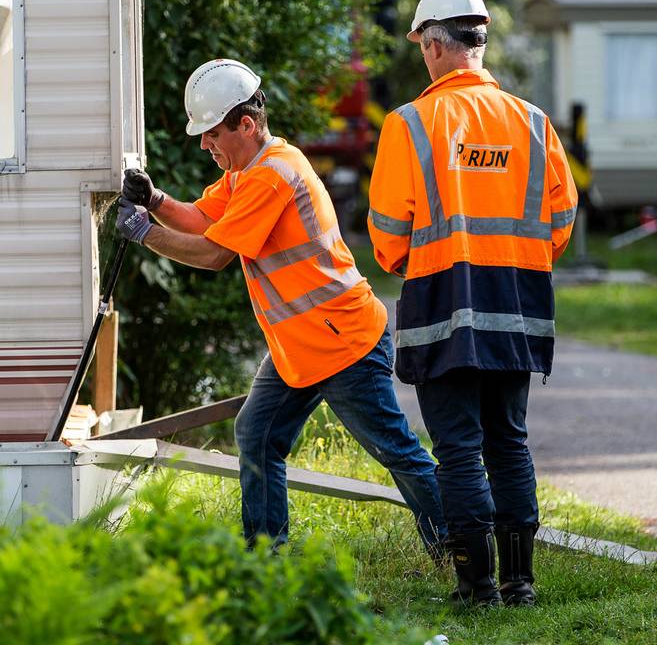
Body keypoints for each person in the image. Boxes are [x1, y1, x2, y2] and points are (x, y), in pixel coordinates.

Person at [116, 58, 447, 555]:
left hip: (343, 343)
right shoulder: (248, 170)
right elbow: (206, 218)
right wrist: (158, 201)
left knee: (395, 451)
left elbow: (214, 252)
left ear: (245, 125)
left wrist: (143, 232)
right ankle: (266, 558)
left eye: (210, 134)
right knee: (256, 433)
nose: (204, 144)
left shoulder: (272, 175)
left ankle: (462, 546)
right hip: (304, 347)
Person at [366, 0, 578, 606]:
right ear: (479, 43)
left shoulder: (409, 124)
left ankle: (476, 584)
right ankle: (521, 581)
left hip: (442, 307)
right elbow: (560, 221)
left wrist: (424, 254)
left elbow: (385, 238)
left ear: (433, 47)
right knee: (508, 440)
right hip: (517, 305)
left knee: (457, 447)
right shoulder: (534, 123)